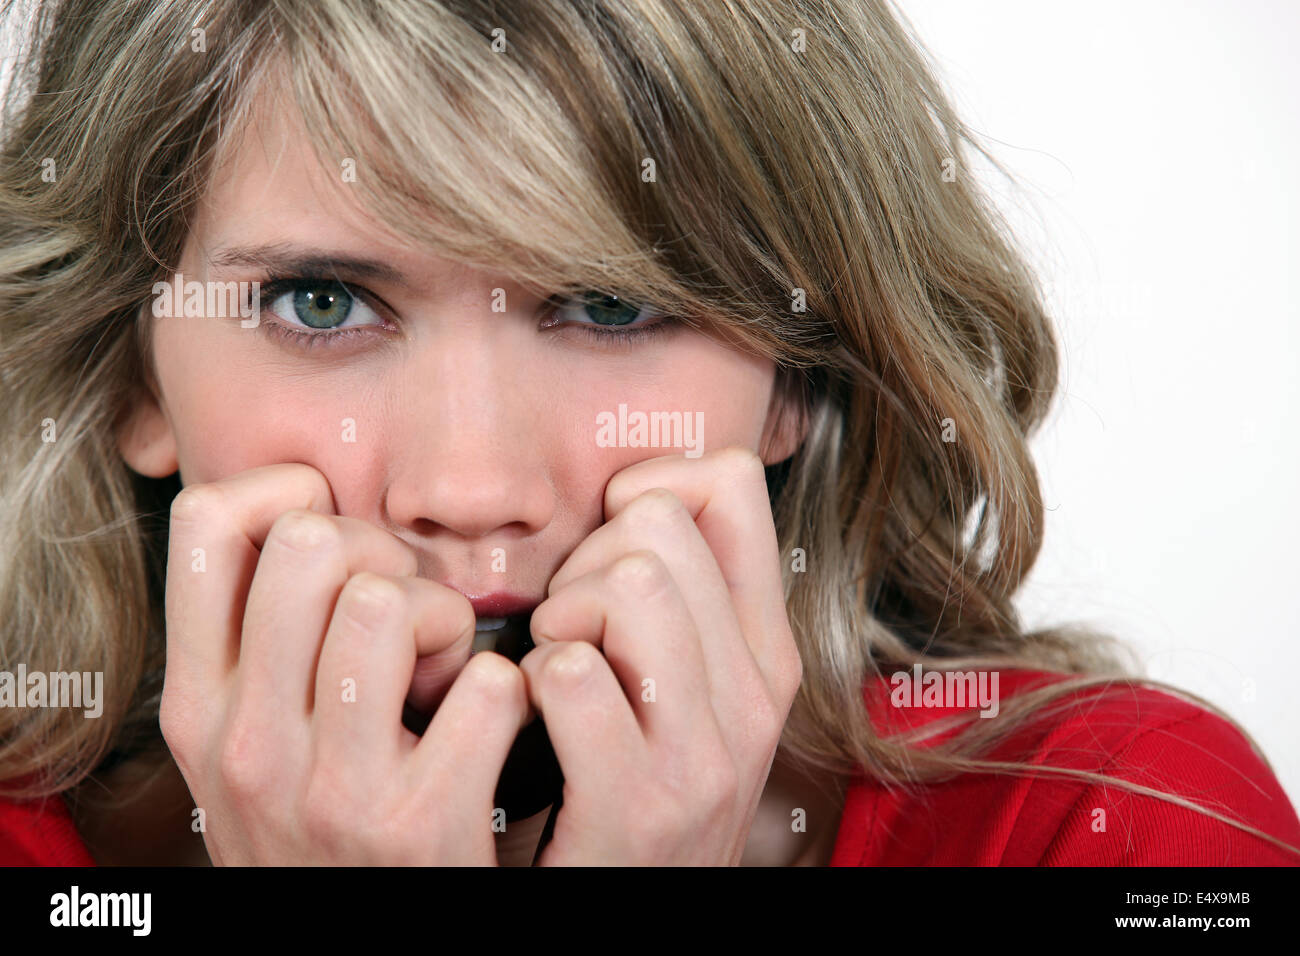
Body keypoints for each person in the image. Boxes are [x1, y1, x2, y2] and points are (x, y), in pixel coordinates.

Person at [1, 0, 1296, 866]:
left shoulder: (1123, 822)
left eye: (612, 305)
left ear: (798, 376)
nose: (471, 488)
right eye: (321, 304)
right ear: (132, 370)